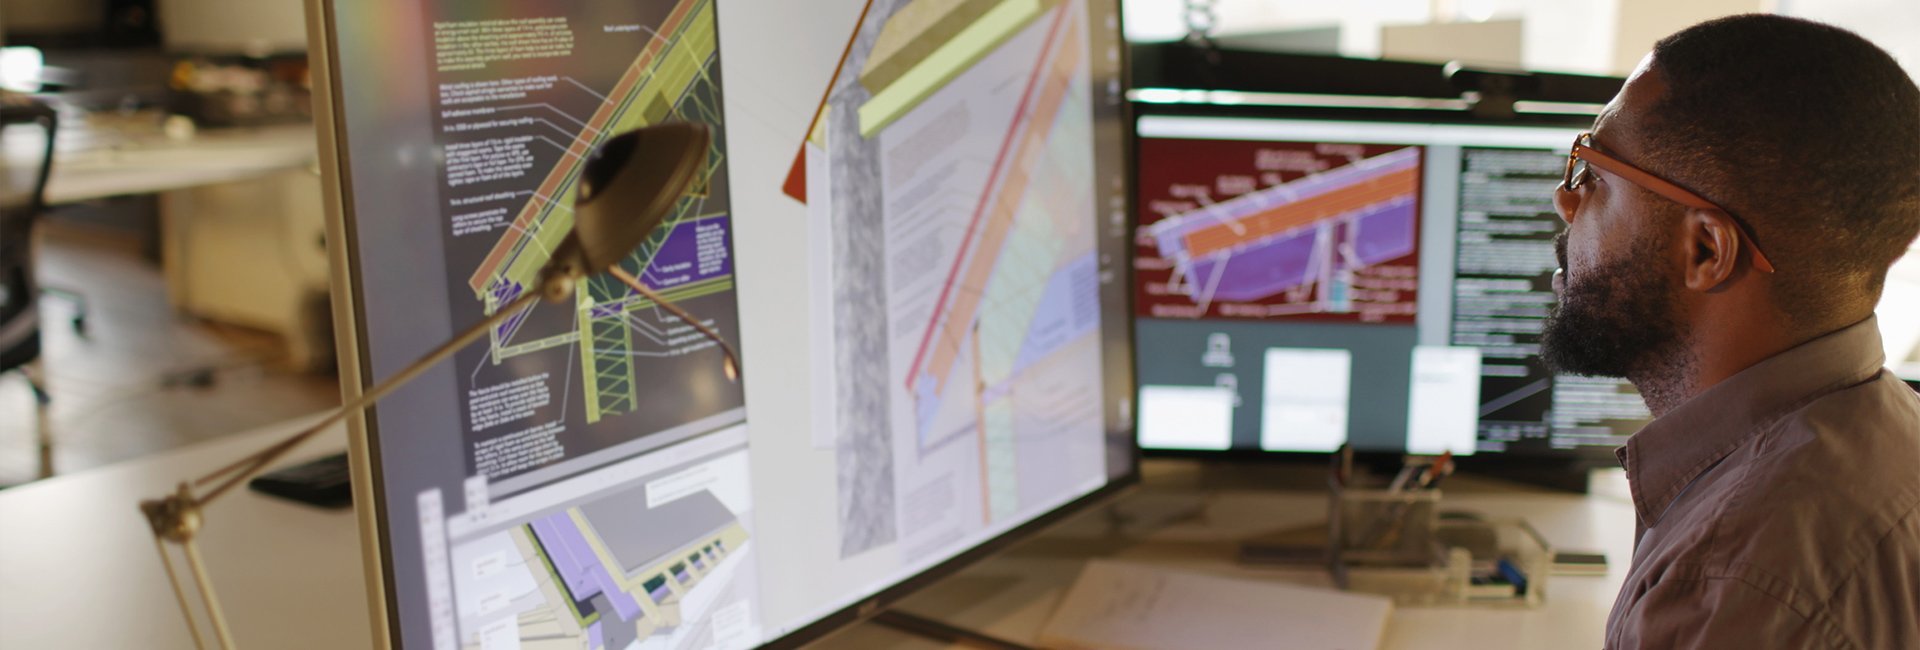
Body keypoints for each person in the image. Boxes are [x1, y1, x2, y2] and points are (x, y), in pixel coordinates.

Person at [1540, 13, 1920, 649]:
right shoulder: (1890, 431)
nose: (1565, 199)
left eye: (1595, 175)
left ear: (1706, 251)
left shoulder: (1729, 583)